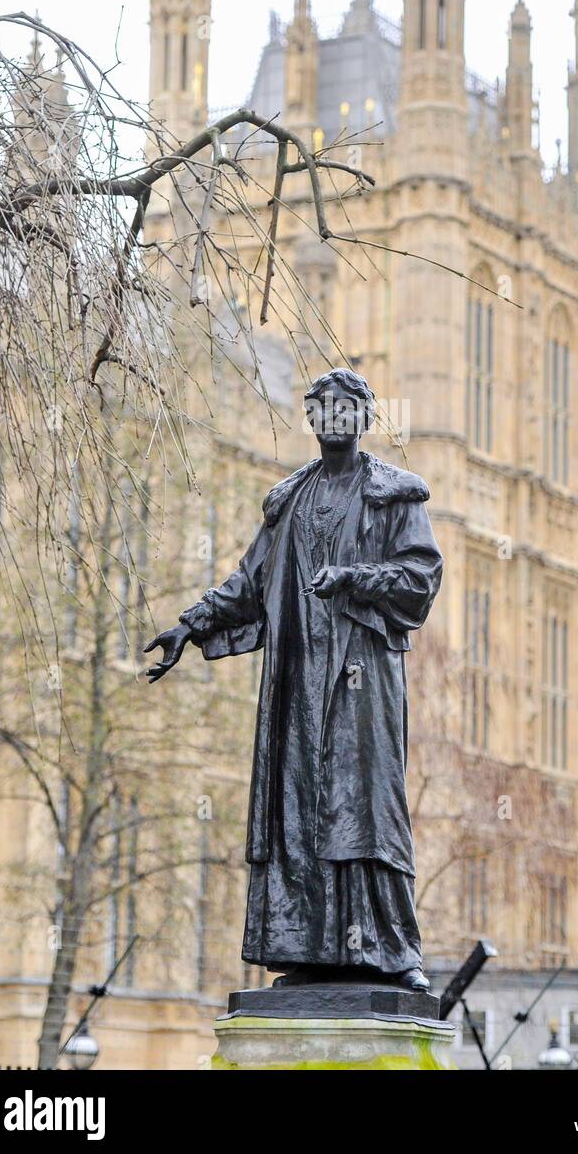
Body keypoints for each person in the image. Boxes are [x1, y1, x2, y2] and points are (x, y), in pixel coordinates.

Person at [145, 368, 443, 990]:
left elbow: (420, 579)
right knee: (299, 811)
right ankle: (310, 951)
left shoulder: (396, 494)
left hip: (361, 679)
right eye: (322, 409)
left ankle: (391, 952)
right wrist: (189, 626)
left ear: (364, 418)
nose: (334, 419)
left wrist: (354, 577)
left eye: (346, 409)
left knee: (365, 808)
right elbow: (249, 582)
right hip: (296, 680)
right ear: (310, 419)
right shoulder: (288, 501)